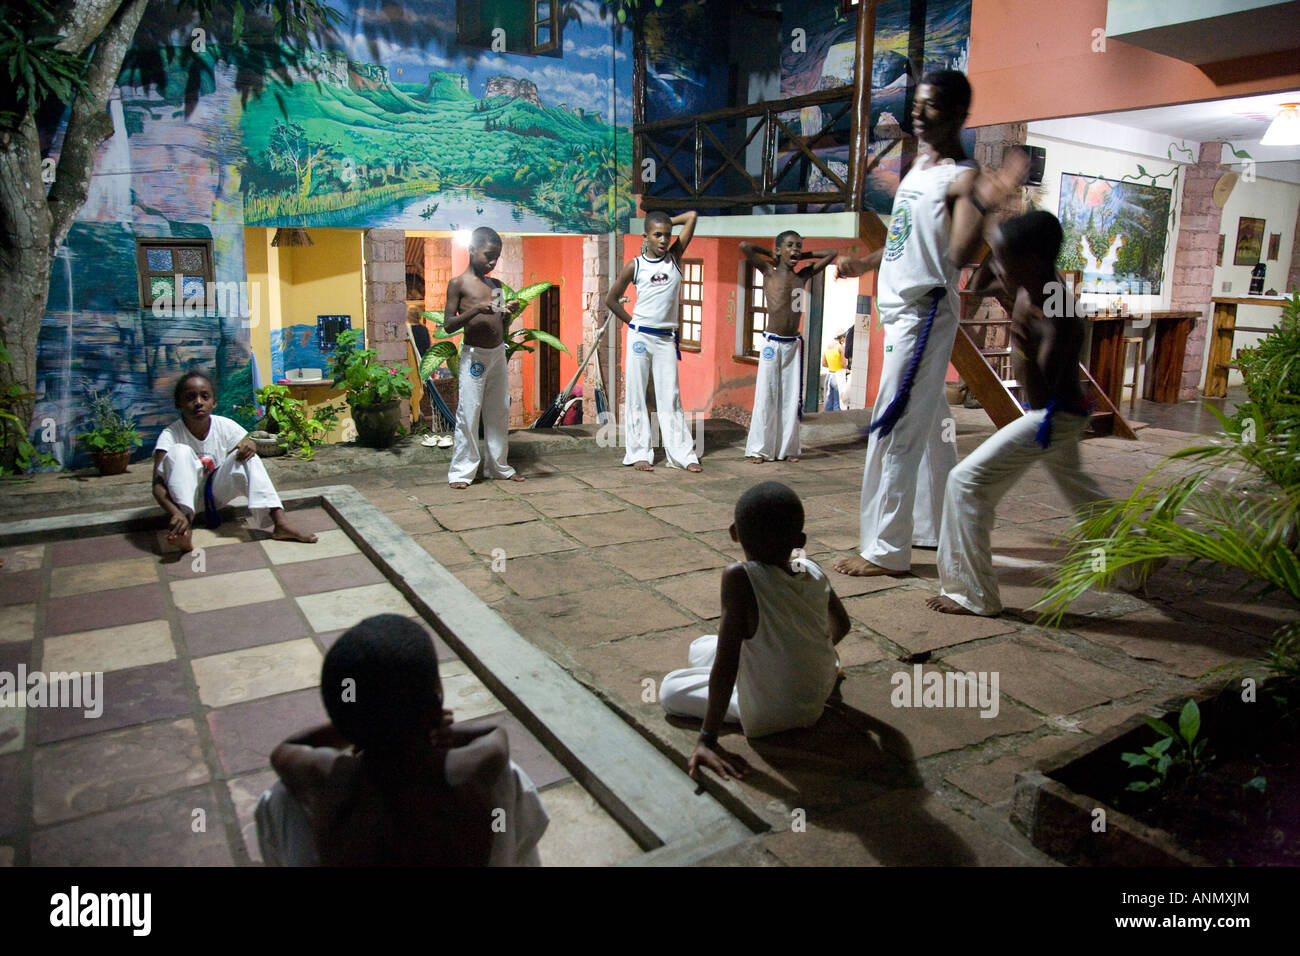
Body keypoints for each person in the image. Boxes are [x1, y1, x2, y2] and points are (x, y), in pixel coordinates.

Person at [833, 71, 1028, 577]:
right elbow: (906, 235)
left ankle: (884, 549)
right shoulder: (919, 165)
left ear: (960, 114)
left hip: (922, 315)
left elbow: (960, 252)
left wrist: (987, 198)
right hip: (899, 311)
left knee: (893, 428)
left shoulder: (961, 177)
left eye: (932, 106)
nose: (917, 113)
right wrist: (867, 263)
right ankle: (931, 527)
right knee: (933, 427)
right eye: (915, 103)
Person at [927, 212, 1122, 616]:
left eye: (1003, 256)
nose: (996, 263)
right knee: (1082, 494)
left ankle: (972, 594)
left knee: (966, 483)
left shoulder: (1059, 312)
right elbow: (978, 287)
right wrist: (991, 248)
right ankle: (1138, 560)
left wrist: (1024, 343)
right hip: (1059, 414)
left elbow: (1044, 389)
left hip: (1055, 416)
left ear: (1031, 259)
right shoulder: (1024, 281)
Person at [255, 614, 549, 866]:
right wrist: (440, 730)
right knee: (511, 779)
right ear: (435, 702)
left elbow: (284, 751)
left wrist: (358, 722)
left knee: (279, 797)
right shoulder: (468, 770)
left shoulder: (330, 778)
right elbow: (496, 737)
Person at [659, 482, 852, 780]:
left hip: (774, 712)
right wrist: (815, 647)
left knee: (670, 689)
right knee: (700, 647)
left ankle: (778, 676)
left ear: (734, 533)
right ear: (799, 539)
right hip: (817, 690)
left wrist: (707, 738)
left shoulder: (741, 577)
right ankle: (818, 664)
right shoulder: (809, 567)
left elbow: (726, 664)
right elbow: (843, 624)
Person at [153, 371, 316, 552]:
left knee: (247, 456)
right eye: (190, 398)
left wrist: (250, 445)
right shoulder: (170, 435)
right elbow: (158, 486)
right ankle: (184, 529)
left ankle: (281, 524)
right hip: (183, 500)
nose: (198, 402)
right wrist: (175, 512)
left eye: (204, 397)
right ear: (179, 404)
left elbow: (248, 443)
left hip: (215, 494)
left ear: (214, 402)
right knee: (180, 451)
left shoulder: (224, 425)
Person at [605, 210, 703, 473]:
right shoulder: (635, 266)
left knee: (670, 395)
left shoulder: (675, 258)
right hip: (640, 336)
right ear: (645, 236)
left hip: (665, 340)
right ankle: (639, 453)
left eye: (667, 235)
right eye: (657, 234)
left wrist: (669, 220)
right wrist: (632, 323)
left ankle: (683, 454)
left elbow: (692, 216)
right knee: (637, 394)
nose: (663, 240)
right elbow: (610, 300)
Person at [739, 232, 838, 463]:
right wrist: (772, 253)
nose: (795, 250)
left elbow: (833, 253)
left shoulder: (802, 276)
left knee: (790, 398)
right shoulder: (768, 272)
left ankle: (788, 449)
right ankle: (759, 449)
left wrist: (803, 255)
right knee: (767, 396)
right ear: (779, 249)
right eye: (790, 246)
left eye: (798, 246)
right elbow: (745, 246)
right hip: (772, 343)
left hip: (793, 344)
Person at [444, 227, 525, 488]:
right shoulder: (458, 284)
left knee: (498, 410)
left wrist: (510, 311)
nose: (492, 262)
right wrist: (476, 308)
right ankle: (461, 472)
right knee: (469, 411)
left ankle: (498, 466)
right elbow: (448, 325)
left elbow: (502, 321)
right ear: (471, 249)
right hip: (474, 356)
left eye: (497, 258)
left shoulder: (497, 285)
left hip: (497, 353)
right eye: (488, 255)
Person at [823, 329, 848, 411]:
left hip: (829, 376)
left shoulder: (827, 347)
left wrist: (832, 366)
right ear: (841, 338)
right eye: (844, 338)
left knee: (829, 402)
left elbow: (823, 363)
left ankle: (826, 421)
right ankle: (836, 423)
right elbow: (844, 365)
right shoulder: (840, 348)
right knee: (838, 403)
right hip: (838, 378)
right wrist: (848, 370)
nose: (844, 340)